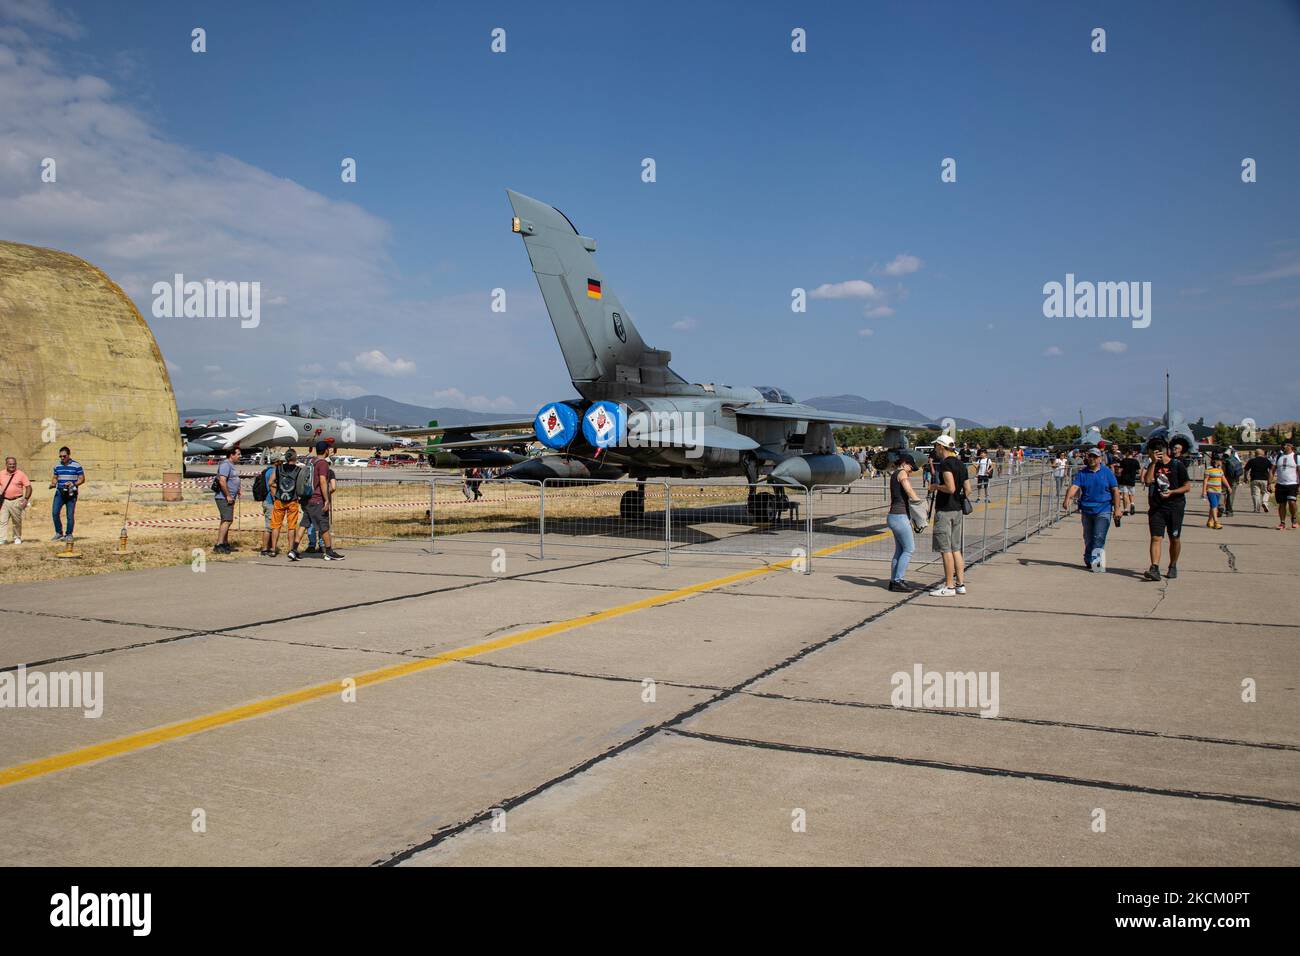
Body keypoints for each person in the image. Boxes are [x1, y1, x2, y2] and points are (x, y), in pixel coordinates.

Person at [1062, 446, 1120, 571]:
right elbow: (1074, 487)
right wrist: (1067, 499)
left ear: (1100, 459)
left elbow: (1115, 490)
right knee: (1088, 537)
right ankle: (1089, 557)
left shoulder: (1107, 472)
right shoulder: (1083, 473)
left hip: (1103, 509)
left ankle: (1097, 563)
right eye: (1090, 456)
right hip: (1087, 510)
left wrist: (1117, 509)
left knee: (1099, 536)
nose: (1092, 459)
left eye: (1095, 457)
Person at [927, 435, 971, 596]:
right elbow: (968, 489)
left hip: (945, 510)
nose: (935, 450)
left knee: (945, 549)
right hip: (958, 509)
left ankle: (949, 585)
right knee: (956, 549)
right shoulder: (961, 463)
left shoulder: (945, 464)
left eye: (936, 447)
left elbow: (950, 487)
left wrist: (936, 487)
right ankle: (960, 584)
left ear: (941, 446)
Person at [1142, 438, 1191, 581]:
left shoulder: (1177, 465)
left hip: (1175, 506)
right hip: (1157, 507)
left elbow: (1187, 486)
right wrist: (1153, 463)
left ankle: (1173, 565)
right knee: (1156, 537)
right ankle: (1154, 568)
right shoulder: (1153, 465)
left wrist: (1172, 492)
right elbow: (1147, 481)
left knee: (1174, 538)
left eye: (1150, 452)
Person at [302, 440, 344, 560]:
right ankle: (325, 547)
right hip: (319, 499)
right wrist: (326, 497)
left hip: (309, 498)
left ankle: (306, 546)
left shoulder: (312, 464)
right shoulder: (325, 467)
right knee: (323, 525)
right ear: (326, 451)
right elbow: (330, 485)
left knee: (307, 524)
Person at [886, 453, 923, 592]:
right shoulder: (901, 473)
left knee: (899, 550)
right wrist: (919, 503)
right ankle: (898, 580)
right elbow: (908, 489)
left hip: (894, 516)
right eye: (910, 467)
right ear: (904, 463)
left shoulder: (894, 473)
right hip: (900, 516)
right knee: (909, 549)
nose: (910, 471)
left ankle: (893, 581)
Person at [269, 450, 303, 557]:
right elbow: (300, 486)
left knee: (275, 525)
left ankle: (273, 549)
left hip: (279, 500)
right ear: (295, 458)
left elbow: (271, 482)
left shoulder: (278, 469)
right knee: (291, 526)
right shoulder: (298, 470)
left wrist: (275, 495)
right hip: (292, 501)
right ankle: (290, 549)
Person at [48, 446, 84, 541]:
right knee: (55, 513)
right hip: (59, 492)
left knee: (70, 515)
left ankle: (69, 534)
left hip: (71, 493)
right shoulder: (57, 466)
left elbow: (82, 479)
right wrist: (53, 483)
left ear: (68, 455)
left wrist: (73, 483)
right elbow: (55, 477)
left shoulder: (76, 465)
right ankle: (59, 533)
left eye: (64, 456)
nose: (62, 458)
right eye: (60, 456)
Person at [213, 447, 241, 553]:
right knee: (227, 520)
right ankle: (219, 544)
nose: (239, 456)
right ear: (231, 455)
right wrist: (228, 495)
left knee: (225, 520)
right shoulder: (225, 465)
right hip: (224, 497)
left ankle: (224, 543)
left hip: (229, 497)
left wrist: (237, 489)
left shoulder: (231, 465)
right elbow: (222, 481)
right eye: (238, 454)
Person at [1, 456, 33, 545]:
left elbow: (29, 487)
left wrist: (26, 499)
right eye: (10, 464)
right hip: (4, 501)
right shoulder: (1, 474)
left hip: (16, 500)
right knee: (2, 521)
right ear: (6, 464)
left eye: (14, 464)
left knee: (16, 521)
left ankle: (17, 537)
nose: (12, 466)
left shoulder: (21, 474)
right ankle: (2, 538)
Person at [1274, 441, 1299, 530]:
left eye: (1284, 445)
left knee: (1292, 502)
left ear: (1290, 446)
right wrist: (1269, 482)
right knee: (1282, 504)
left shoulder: (1297, 457)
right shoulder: (1278, 457)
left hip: (1292, 483)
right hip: (1280, 484)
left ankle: (1294, 518)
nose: (1282, 447)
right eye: (1282, 445)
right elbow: (1272, 469)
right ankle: (1282, 523)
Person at [256, 457, 277, 556]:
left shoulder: (266, 470)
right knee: (269, 527)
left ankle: (268, 547)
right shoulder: (273, 471)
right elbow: (272, 486)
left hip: (265, 500)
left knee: (270, 525)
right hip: (270, 501)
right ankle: (265, 549)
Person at [1202, 452, 1227, 530]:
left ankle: (1210, 521)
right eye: (1220, 460)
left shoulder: (1220, 470)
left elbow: (1223, 479)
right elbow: (1205, 480)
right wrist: (1204, 491)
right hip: (1210, 490)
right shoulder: (1208, 469)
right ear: (1215, 461)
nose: (1221, 462)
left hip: (1218, 490)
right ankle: (1216, 522)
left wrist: (1228, 487)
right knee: (1214, 506)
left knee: (1213, 506)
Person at [1245, 448, 1272, 513]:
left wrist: (1245, 477)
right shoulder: (1267, 460)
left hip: (1254, 479)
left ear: (1255, 454)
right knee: (1266, 492)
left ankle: (1257, 509)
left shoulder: (1251, 461)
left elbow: (1246, 470)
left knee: (1255, 494)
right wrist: (1270, 481)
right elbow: (1271, 471)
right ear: (1262, 453)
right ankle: (1265, 502)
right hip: (1264, 479)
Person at [1116, 448, 1141, 516]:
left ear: (1127, 453)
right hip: (1132, 479)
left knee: (1125, 494)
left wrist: (1118, 472)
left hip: (1124, 479)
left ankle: (1125, 509)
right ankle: (1132, 503)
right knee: (1131, 493)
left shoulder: (1123, 461)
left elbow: (1119, 470)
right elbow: (1138, 471)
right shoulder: (1136, 461)